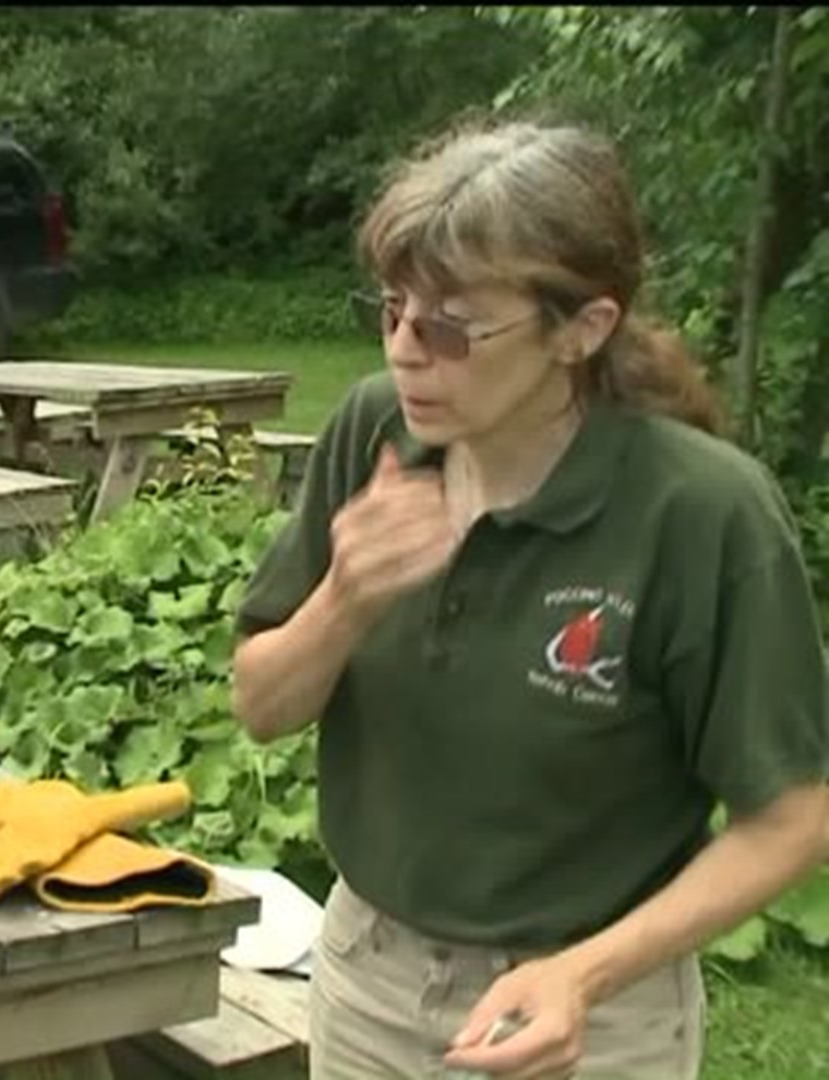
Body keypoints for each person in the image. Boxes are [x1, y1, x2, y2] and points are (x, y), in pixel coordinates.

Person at [231, 117, 829, 1080]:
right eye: (390, 308)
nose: (404, 351)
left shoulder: (701, 513)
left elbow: (795, 819)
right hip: (367, 977)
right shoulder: (376, 436)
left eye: (452, 326)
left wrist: (585, 977)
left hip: (581, 1019)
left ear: (582, 329)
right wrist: (344, 597)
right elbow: (261, 708)